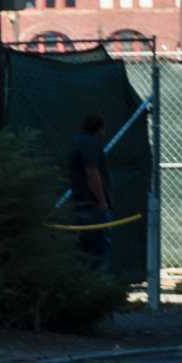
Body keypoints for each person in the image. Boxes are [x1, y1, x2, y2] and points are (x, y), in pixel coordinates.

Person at [66, 113, 113, 269]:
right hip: (93, 206)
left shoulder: (77, 142)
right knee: (97, 251)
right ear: (99, 129)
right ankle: (98, 281)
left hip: (80, 202)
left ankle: (86, 280)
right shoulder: (90, 144)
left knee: (83, 250)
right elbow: (92, 173)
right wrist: (102, 201)